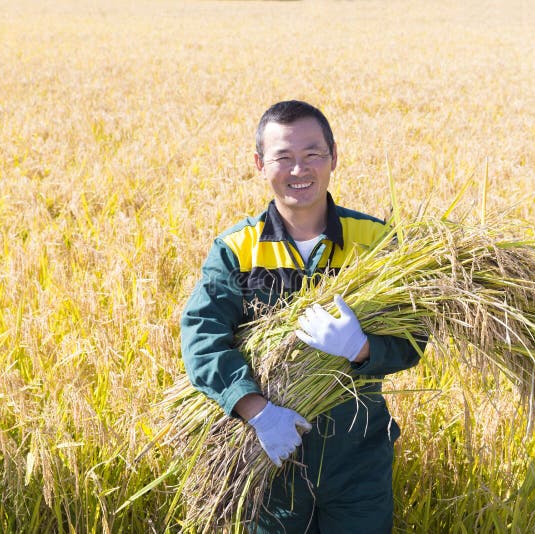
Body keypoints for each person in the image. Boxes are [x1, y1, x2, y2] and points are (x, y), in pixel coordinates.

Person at [180, 100, 422, 533]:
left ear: (334, 157)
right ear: (260, 163)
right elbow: (203, 337)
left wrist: (363, 348)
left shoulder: (377, 243)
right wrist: (256, 412)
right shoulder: (238, 249)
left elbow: (415, 338)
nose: (299, 170)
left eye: (313, 154)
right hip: (271, 459)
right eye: (283, 158)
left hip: (358, 459)